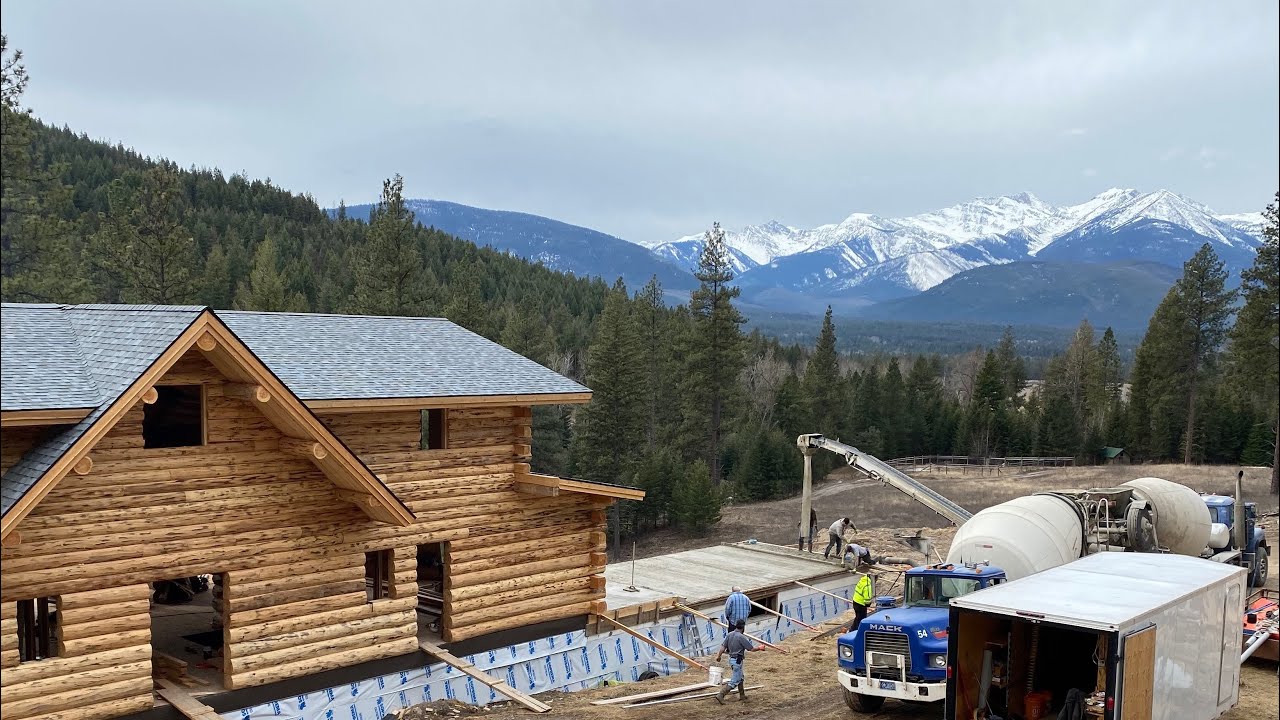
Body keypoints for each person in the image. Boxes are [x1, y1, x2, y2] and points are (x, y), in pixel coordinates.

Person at [715, 619, 765, 703]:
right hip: (737, 661)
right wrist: (760, 648)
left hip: (732, 659)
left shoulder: (729, 635)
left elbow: (723, 647)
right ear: (743, 627)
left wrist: (718, 656)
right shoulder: (741, 637)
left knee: (740, 677)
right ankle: (721, 695)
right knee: (735, 681)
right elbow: (751, 649)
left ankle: (742, 695)